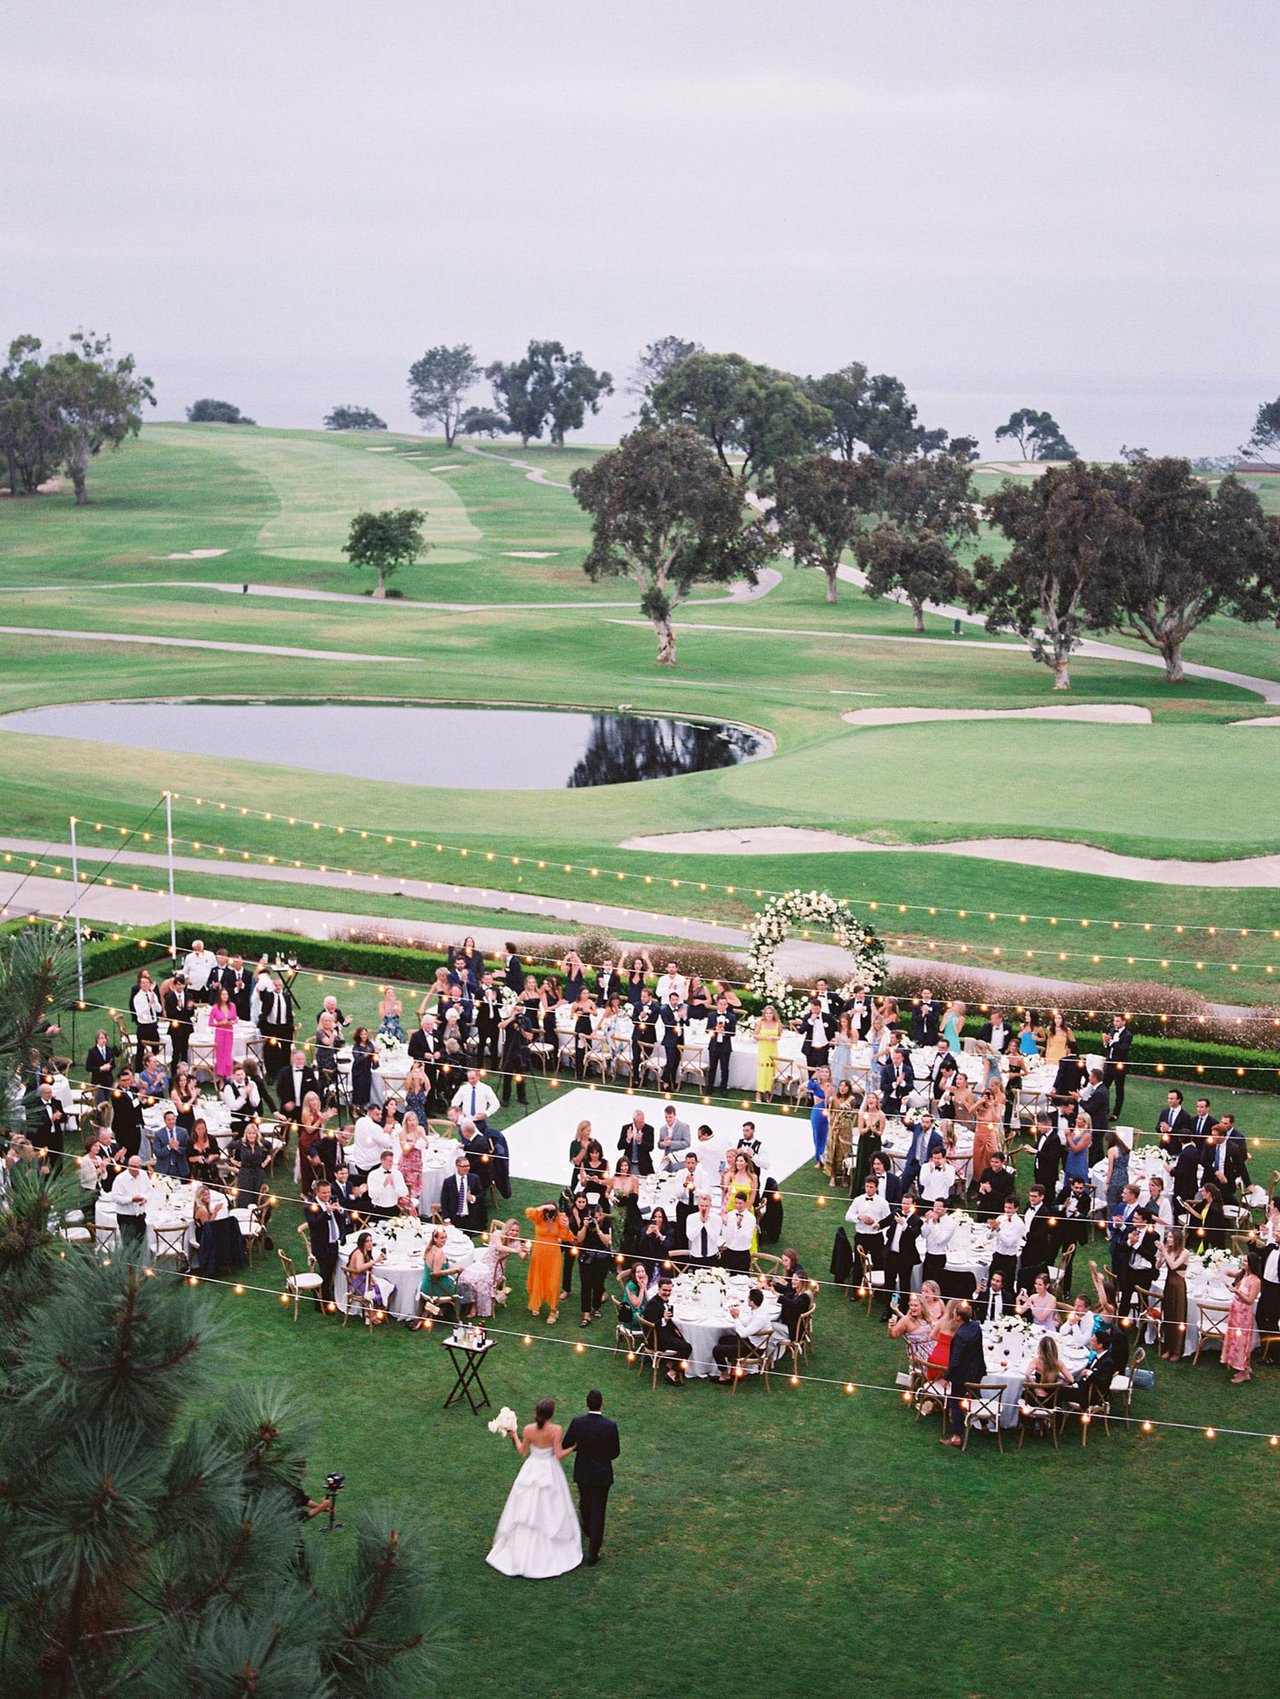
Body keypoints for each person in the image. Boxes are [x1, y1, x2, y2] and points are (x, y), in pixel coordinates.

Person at [486, 1398, 583, 1579]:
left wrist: (514, 1435)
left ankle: (520, 1548)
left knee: (525, 1508)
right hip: (549, 1471)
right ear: (551, 1414)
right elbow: (559, 1455)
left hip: (531, 1469)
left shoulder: (528, 1430)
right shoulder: (556, 1430)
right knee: (552, 1506)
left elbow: (522, 1451)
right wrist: (574, 1447)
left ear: (536, 1413)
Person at [561, 1390, 621, 1567]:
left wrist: (582, 1448)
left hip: (583, 1472)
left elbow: (567, 1444)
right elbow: (615, 1452)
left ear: (587, 1404)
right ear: (602, 1404)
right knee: (598, 1510)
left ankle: (587, 1527)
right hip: (602, 1475)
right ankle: (593, 1553)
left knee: (585, 1502)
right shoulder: (610, 1426)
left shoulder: (578, 1423)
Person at [460, 1218, 526, 1319]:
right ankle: (470, 1301)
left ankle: (474, 1307)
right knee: (465, 1276)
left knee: (481, 1280)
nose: (514, 1233)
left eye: (517, 1231)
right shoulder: (497, 1234)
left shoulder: (515, 1242)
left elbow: (522, 1257)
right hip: (485, 1262)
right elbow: (499, 1247)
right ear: (507, 1229)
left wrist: (526, 1251)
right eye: (512, 1230)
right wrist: (514, 1250)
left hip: (496, 1269)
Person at [941, 1311, 988, 1447]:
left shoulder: (960, 1336)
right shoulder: (976, 1327)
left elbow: (955, 1360)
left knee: (955, 1402)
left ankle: (956, 1436)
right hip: (976, 1371)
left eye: (955, 1313)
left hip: (962, 1375)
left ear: (958, 1317)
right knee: (976, 1396)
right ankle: (984, 1425)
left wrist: (947, 1376)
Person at [712, 1287, 775, 1382]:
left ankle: (725, 1376)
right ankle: (734, 1369)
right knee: (723, 1339)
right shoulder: (759, 1310)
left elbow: (743, 1334)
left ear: (752, 1302)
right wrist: (737, 1315)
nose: (747, 1299)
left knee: (717, 1350)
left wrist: (736, 1318)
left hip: (754, 1349)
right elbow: (748, 1324)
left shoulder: (760, 1318)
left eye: (748, 1298)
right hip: (750, 1342)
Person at [525, 1203, 573, 1324]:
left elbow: (567, 1237)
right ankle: (536, 1303)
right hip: (539, 1253)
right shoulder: (539, 1216)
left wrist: (567, 1227)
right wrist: (543, 1208)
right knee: (538, 1277)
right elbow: (529, 1212)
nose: (550, 1213)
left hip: (553, 1254)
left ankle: (553, 1310)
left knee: (553, 1281)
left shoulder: (559, 1218)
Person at [643, 1275, 693, 1383]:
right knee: (687, 1347)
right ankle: (672, 1373)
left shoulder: (663, 1301)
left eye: (670, 1290)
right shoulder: (652, 1305)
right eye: (664, 1290)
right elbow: (651, 1325)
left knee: (684, 1337)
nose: (667, 1293)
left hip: (664, 1333)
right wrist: (664, 1320)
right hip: (656, 1339)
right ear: (659, 1289)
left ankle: (670, 1363)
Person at [1222, 1251, 1261, 1384]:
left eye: (1245, 1261)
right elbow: (1229, 1273)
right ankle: (1242, 1368)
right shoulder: (1243, 1275)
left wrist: (1237, 1291)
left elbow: (1250, 1300)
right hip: (1236, 1312)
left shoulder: (1255, 1281)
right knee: (1235, 1340)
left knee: (1242, 1342)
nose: (1243, 1263)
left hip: (1244, 1315)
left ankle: (1244, 1372)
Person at [305, 1183, 344, 1306]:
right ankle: (322, 1303)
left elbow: (340, 1220)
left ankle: (327, 1295)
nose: (327, 1195)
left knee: (331, 1272)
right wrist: (326, 1213)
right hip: (322, 1246)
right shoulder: (310, 1207)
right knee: (325, 1275)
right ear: (317, 1192)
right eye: (324, 1193)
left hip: (333, 1243)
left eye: (328, 1192)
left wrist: (340, 1211)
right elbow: (314, 1224)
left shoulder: (330, 1202)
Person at [1156, 1227, 1190, 1359]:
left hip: (1178, 1287)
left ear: (1176, 1239)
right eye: (1167, 1237)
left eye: (1170, 1237)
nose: (1168, 1239)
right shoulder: (1168, 1251)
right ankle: (1168, 1347)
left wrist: (1164, 1251)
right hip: (1168, 1285)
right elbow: (1158, 1266)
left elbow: (1174, 1265)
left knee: (1178, 1317)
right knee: (1168, 1316)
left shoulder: (1184, 1253)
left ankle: (1177, 1350)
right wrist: (1161, 1254)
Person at [417, 1227, 466, 1318]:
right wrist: (454, 1270)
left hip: (426, 1285)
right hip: (435, 1288)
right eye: (442, 1238)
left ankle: (442, 1310)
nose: (444, 1240)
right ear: (435, 1239)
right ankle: (455, 1316)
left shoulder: (429, 1248)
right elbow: (436, 1273)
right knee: (461, 1286)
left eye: (445, 1237)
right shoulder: (439, 1253)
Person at [109, 1154, 153, 1249]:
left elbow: (149, 1190)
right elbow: (115, 1197)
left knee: (141, 1244)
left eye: (135, 1167)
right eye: (130, 1166)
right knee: (128, 1245)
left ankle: (141, 1263)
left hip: (140, 1215)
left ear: (140, 1166)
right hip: (125, 1217)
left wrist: (144, 1199)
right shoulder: (120, 1179)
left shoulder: (144, 1175)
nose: (132, 1169)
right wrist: (131, 1199)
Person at [346, 1231, 393, 1317]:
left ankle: (373, 1312)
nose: (370, 1243)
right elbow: (359, 1268)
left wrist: (371, 1276)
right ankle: (374, 1312)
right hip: (358, 1286)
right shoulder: (359, 1253)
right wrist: (375, 1261)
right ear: (362, 1243)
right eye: (367, 1241)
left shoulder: (363, 1252)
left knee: (385, 1284)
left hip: (360, 1280)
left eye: (371, 1241)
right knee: (388, 1286)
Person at [208, 985, 238, 1083]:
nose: (225, 996)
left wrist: (231, 1022)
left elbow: (235, 1019)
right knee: (220, 1055)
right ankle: (221, 1078)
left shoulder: (232, 1006)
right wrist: (220, 1023)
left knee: (228, 1055)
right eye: (223, 994)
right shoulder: (215, 1007)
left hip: (229, 1032)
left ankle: (228, 1076)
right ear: (219, 996)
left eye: (226, 994)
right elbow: (210, 1023)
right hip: (220, 1032)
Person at [754, 1003, 783, 1102]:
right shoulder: (760, 1023)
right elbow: (755, 1035)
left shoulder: (778, 1023)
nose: (769, 1015)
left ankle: (767, 1091)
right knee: (762, 1070)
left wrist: (776, 1038)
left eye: (770, 1013)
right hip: (763, 1048)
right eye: (767, 1013)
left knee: (770, 1071)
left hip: (773, 1049)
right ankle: (759, 1092)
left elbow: (779, 1036)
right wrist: (766, 1038)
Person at [618, 1108, 655, 1177]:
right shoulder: (626, 1128)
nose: (642, 1124)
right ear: (634, 1120)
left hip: (644, 1165)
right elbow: (619, 1146)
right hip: (629, 1164)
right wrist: (628, 1139)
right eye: (640, 1122)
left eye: (643, 1121)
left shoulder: (649, 1129)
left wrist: (640, 1142)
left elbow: (651, 1147)